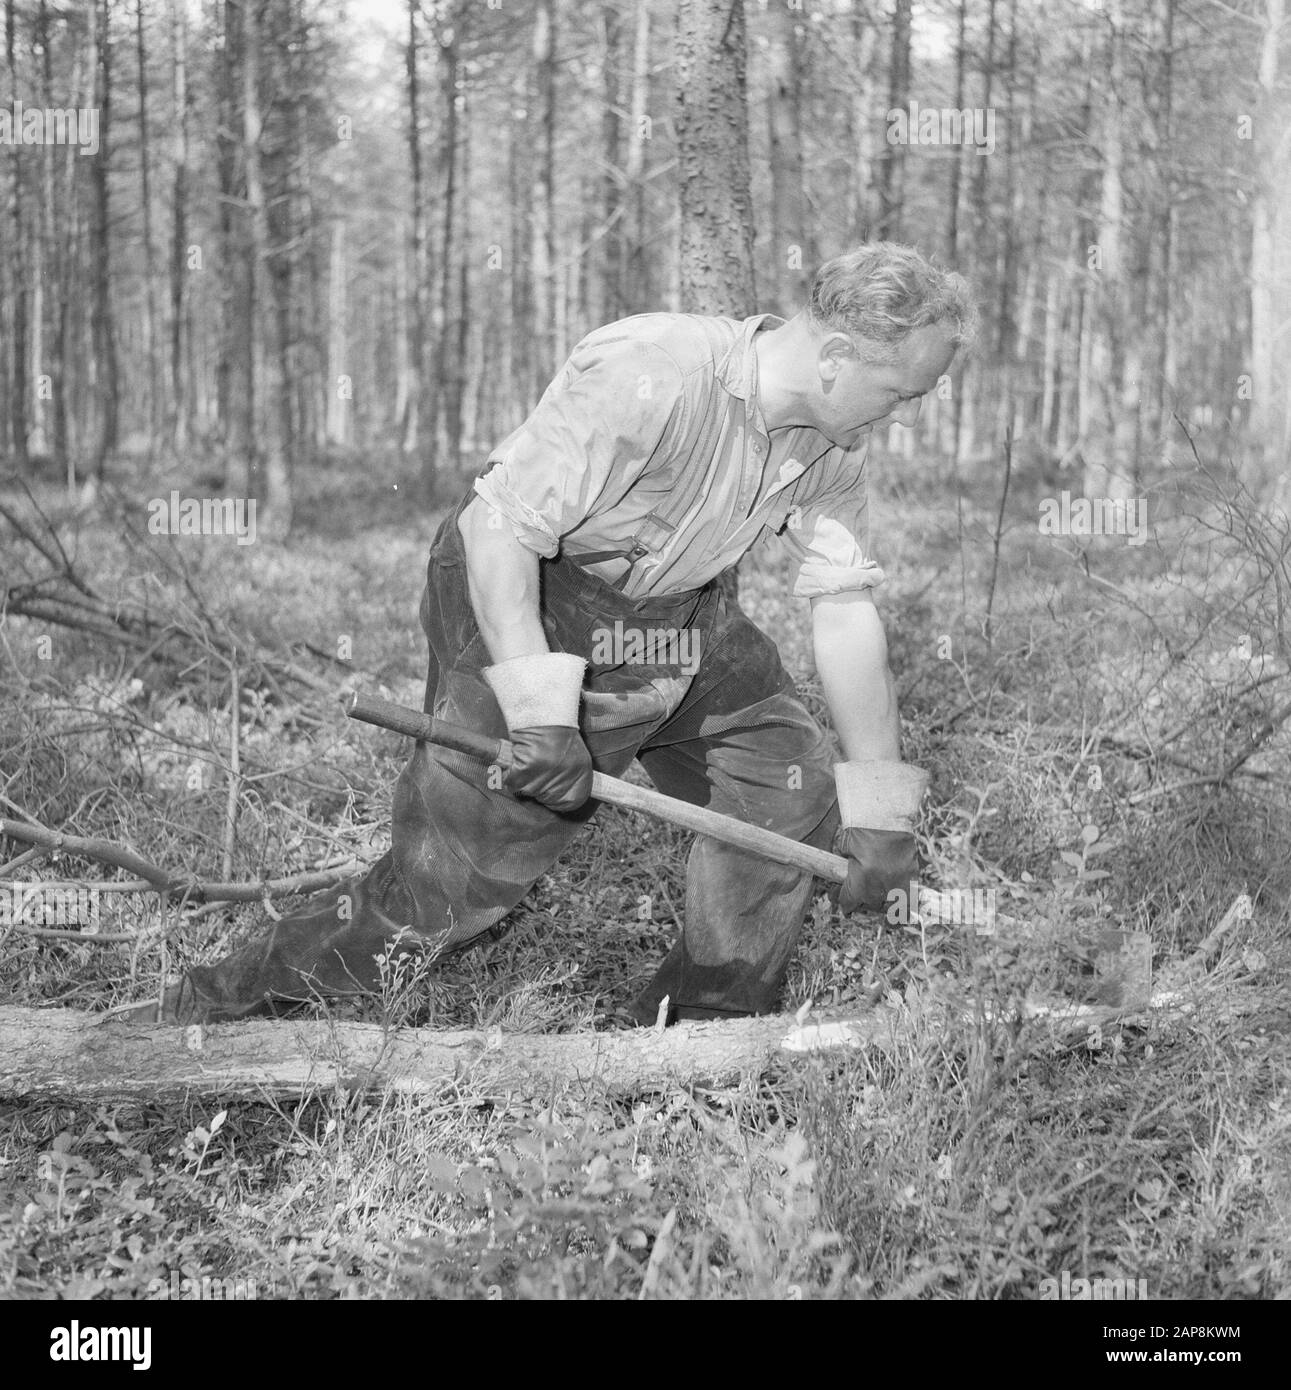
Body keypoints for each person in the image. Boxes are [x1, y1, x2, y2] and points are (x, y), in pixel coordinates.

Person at [131, 242, 976, 1027]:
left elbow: (844, 610)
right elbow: (500, 533)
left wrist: (880, 814)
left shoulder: (836, 446)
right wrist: (541, 714)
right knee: (452, 882)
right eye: (904, 393)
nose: (902, 418)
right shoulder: (651, 372)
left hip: (678, 612)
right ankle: (209, 1007)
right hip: (530, 591)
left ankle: (695, 1040)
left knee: (783, 786)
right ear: (834, 359)